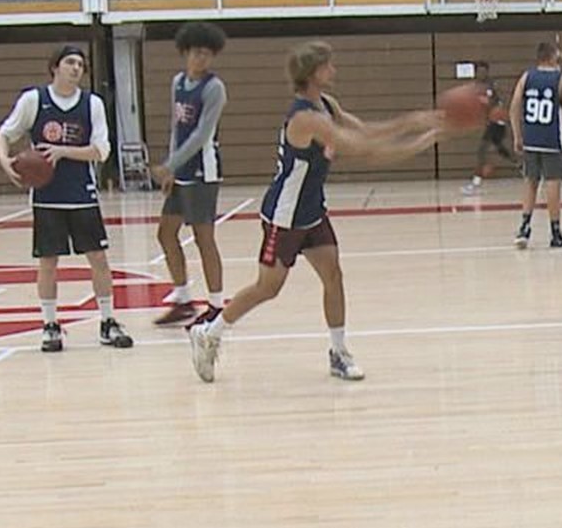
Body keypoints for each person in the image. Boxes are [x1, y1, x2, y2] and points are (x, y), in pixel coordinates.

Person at [188, 41, 449, 383]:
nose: (334, 71)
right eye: (329, 66)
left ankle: (338, 353)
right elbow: (368, 152)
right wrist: (427, 138)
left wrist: (418, 120)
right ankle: (210, 332)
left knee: (333, 276)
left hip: (311, 209)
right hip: (285, 215)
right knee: (268, 288)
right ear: (313, 73)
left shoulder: (326, 105)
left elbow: (366, 131)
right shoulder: (305, 119)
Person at [0, 46, 133, 353]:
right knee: (48, 261)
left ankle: (108, 322)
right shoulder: (34, 100)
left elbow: (101, 150)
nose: (76, 68)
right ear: (54, 67)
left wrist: (63, 151)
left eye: (81, 64)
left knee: (98, 258)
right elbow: (4, 134)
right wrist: (7, 164)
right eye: (70, 62)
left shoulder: (91, 103)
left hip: (81, 192)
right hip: (47, 196)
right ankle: (50, 326)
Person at [152, 23, 230, 326]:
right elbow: (177, 128)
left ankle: (215, 305)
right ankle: (183, 300)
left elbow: (200, 134)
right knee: (165, 233)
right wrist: (171, 167)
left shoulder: (214, 88)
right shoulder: (178, 83)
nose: (202, 59)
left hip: (203, 170)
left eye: (208, 55)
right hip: (181, 169)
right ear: (186, 52)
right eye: (198, 53)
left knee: (203, 238)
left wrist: (170, 165)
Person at [511, 42, 562, 249]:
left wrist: (517, 135)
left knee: (530, 182)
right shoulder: (561, 78)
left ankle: (524, 227)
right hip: (551, 139)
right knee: (552, 184)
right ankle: (555, 232)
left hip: (531, 138)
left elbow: (514, 107)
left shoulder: (526, 76)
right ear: (550, 57)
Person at [461, 64, 516, 196]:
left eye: (483, 71)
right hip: (492, 122)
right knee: (501, 149)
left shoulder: (490, 86)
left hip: (497, 121)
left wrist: (483, 102)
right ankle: (524, 166)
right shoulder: (476, 87)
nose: (481, 74)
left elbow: (493, 103)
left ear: (487, 72)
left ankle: (475, 183)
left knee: (482, 150)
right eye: (479, 71)